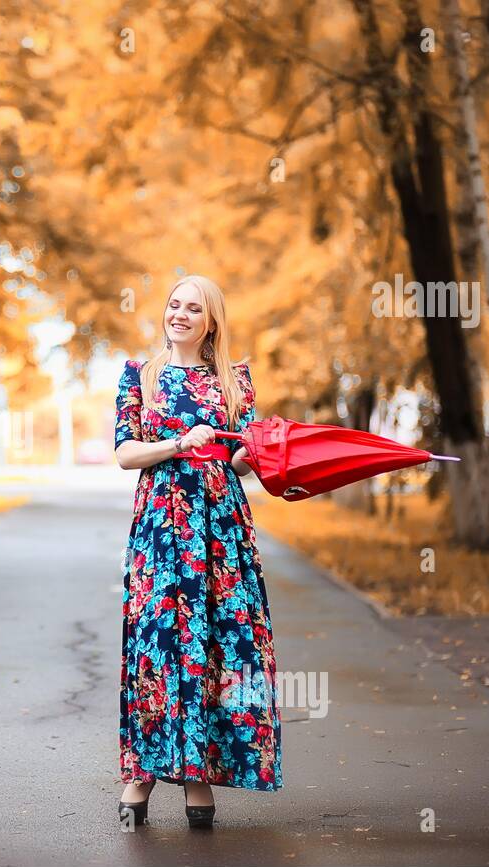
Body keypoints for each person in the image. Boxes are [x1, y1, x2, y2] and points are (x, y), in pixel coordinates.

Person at [113, 274, 283, 829]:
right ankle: (140, 771)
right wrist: (179, 443)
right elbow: (126, 453)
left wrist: (258, 455)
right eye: (174, 305)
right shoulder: (141, 376)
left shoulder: (235, 381)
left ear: (212, 322)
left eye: (194, 309)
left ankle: (198, 774)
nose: (180, 315)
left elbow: (239, 457)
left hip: (220, 530)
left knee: (215, 645)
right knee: (156, 646)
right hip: (162, 528)